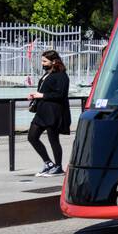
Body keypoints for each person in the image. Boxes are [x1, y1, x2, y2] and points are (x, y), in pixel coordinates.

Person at [27, 49, 72, 177]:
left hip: (53, 112)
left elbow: (60, 94)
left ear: (54, 61)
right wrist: (35, 96)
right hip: (42, 111)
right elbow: (44, 91)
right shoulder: (47, 74)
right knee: (32, 137)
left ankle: (58, 167)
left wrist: (42, 95)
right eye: (42, 61)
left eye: (45, 61)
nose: (42, 63)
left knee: (53, 140)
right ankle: (48, 163)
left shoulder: (62, 75)